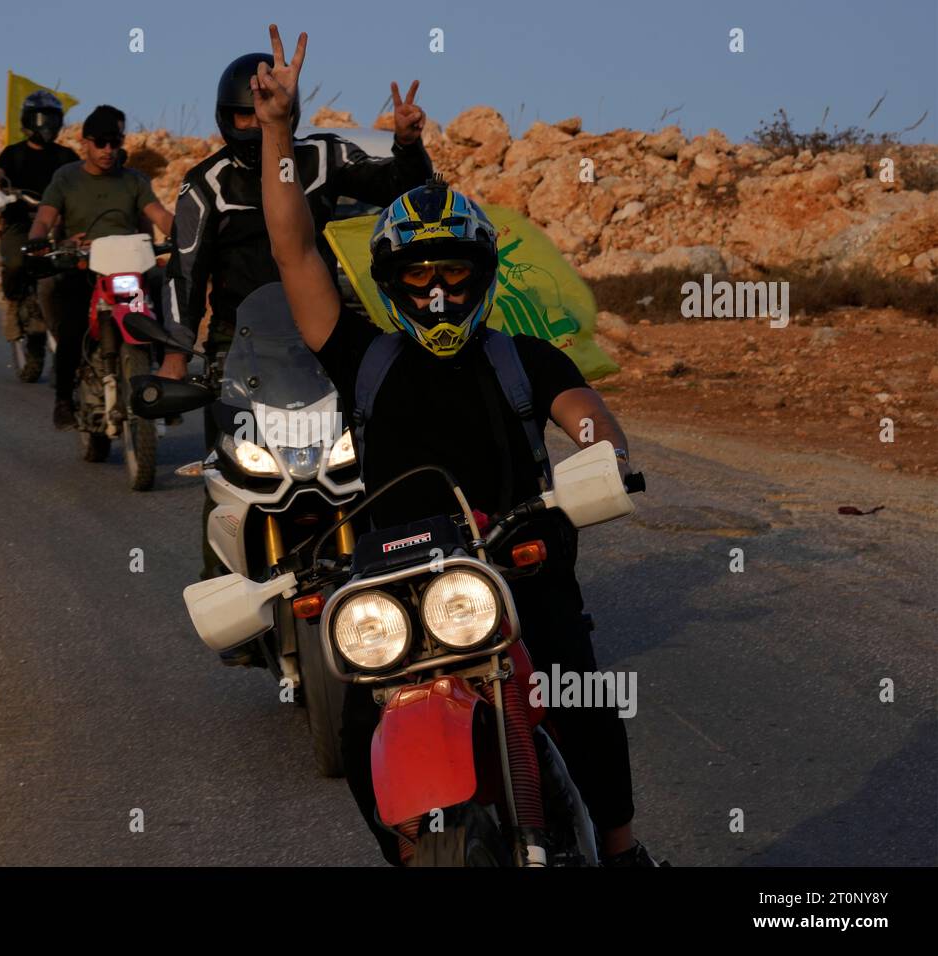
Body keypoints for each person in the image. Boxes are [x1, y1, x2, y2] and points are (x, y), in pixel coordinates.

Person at [252, 24, 658, 867]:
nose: (437, 294)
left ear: (483, 275)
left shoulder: (520, 356)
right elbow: (292, 246)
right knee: (362, 725)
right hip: (397, 580)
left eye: (455, 276)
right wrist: (278, 135)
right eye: (417, 278)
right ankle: (411, 850)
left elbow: (585, 411)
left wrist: (599, 453)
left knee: (580, 696)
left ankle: (622, 854)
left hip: (519, 565)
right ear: (392, 284)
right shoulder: (360, 353)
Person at [159, 50, 434, 581]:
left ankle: (389, 569)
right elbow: (186, 276)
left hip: (319, 338)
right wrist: (176, 360)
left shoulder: (323, 157)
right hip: (238, 351)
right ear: (226, 116)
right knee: (230, 474)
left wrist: (406, 143)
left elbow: (402, 188)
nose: (253, 121)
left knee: (358, 461)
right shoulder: (205, 184)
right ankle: (225, 584)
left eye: (262, 107)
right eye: (244, 113)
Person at [28, 105, 174, 430]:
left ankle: (168, 381)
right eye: (101, 143)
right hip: (83, 267)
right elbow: (44, 217)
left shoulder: (134, 180)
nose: (109, 150)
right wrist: (40, 240)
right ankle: (63, 399)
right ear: (86, 142)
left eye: (115, 142)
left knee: (164, 297)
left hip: (129, 268)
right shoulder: (66, 178)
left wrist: (185, 233)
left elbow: (159, 215)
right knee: (71, 327)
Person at [0, 90, 79, 345]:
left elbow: (82, 177)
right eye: (42, 119)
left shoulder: (66, 156)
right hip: (21, 219)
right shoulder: (13, 152)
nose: (47, 126)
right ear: (29, 120)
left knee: (77, 264)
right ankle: (12, 303)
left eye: (52, 119)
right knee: (16, 262)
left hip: (59, 222)